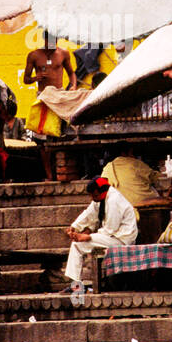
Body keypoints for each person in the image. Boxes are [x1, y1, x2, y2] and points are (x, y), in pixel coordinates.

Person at [63, 176, 137, 286]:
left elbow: (111, 229)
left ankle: (76, 286)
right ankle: (75, 285)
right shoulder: (100, 198)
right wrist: (74, 227)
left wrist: (89, 237)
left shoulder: (114, 200)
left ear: (102, 192)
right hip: (110, 237)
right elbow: (88, 213)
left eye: (95, 195)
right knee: (76, 245)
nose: (93, 198)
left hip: (122, 240)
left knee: (80, 242)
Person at [23, 34, 75, 179]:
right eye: (50, 41)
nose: (53, 44)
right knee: (42, 141)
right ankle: (49, 175)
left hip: (59, 98)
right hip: (43, 99)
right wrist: (35, 78)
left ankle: (63, 172)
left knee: (62, 135)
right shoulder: (34, 55)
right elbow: (25, 79)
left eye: (55, 41)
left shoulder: (63, 53)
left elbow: (71, 74)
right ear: (44, 40)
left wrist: (73, 86)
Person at [102, 143, 169, 242]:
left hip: (120, 215)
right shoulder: (136, 164)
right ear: (129, 152)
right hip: (144, 213)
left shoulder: (108, 168)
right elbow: (155, 177)